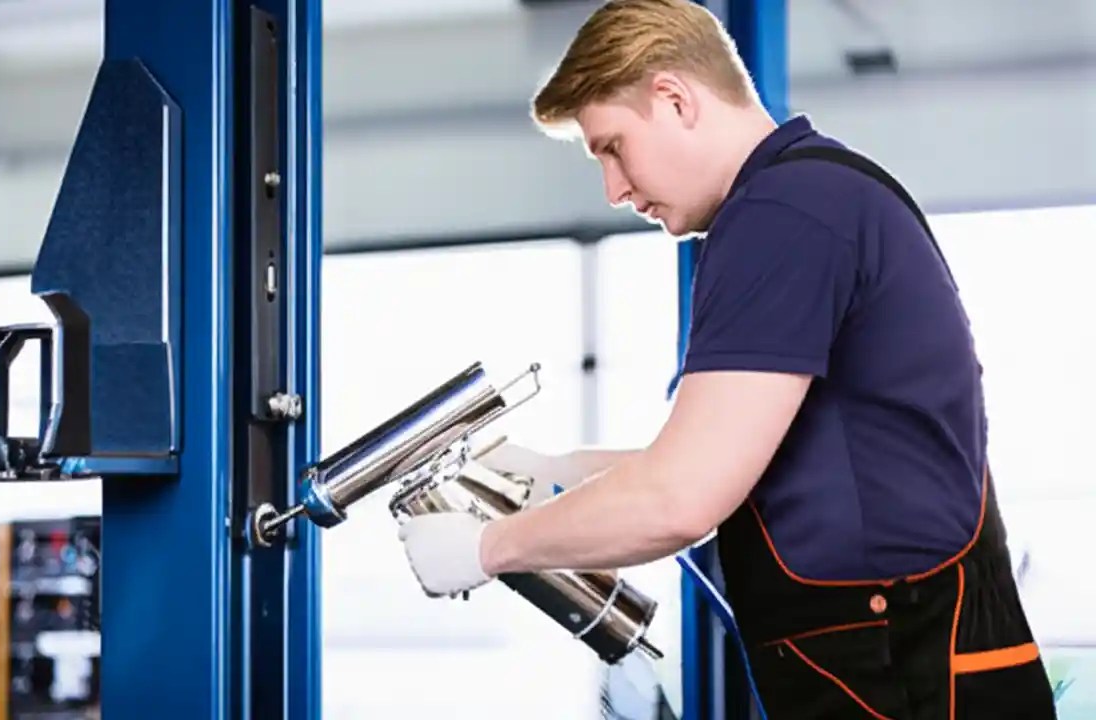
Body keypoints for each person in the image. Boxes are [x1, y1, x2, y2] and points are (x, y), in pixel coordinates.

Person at [395, 1, 1057, 718]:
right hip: (912, 669)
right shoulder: (818, 196)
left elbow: (682, 498)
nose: (614, 191)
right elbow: (728, 460)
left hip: (911, 679)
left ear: (674, 98)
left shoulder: (782, 213)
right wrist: (559, 474)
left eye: (612, 148)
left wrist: (489, 547)